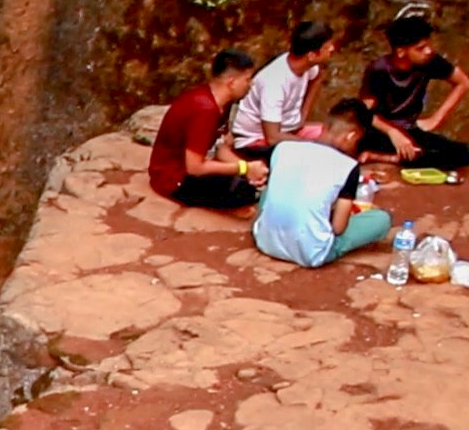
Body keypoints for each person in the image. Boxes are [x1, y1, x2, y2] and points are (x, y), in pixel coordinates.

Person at [253, 99, 392, 268]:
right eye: (357, 142)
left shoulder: (283, 148)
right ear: (351, 136)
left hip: (265, 241)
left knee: (273, 188)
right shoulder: (348, 166)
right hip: (311, 252)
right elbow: (338, 228)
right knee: (381, 219)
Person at [149, 49, 267, 211]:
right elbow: (195, 167)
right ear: (231, 82)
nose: (250, 85)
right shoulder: (205, 110)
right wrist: (243, 168)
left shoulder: (222, 103)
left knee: (256, 175)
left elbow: (220, 147)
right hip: (174, 178)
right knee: (246, 192)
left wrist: (248, 168)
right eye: (247, 80)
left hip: (193, 167)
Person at [359, 12, 469, 170]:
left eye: (428, 45)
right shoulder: (379, 70)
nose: (428, 51)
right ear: (401, 52)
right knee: (360, 142)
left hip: (410, 129)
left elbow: (463, 82)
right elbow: (365, 113)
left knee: (465, 154)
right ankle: (395, 156)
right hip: (381, 131)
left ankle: (392, 158)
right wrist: (394, 134)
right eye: (421, 48)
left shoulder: (430, 61)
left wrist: (436, 119)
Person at [232, 21, 337, 163]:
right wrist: (310, 145)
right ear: (312, 55)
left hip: (290, 130)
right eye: (327, 46)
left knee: (334, 137)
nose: (332, 49)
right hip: (255, 140)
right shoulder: (274, 81)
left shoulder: (309, 66)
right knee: (315, 153)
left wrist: (302, 117)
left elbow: (317, 79)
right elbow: (272, 137)